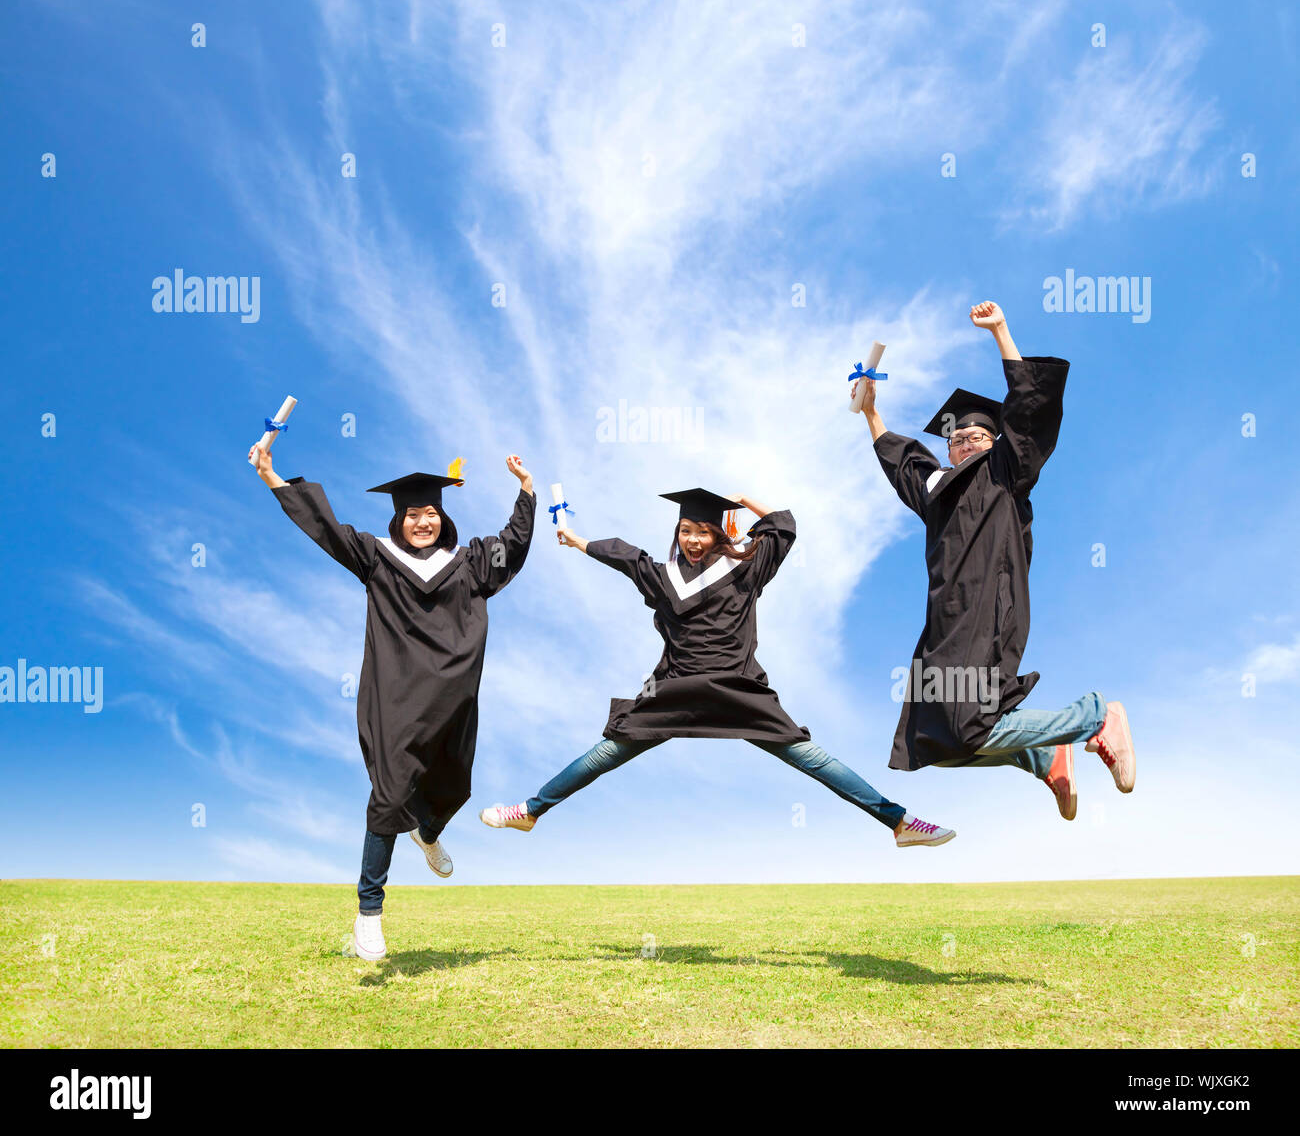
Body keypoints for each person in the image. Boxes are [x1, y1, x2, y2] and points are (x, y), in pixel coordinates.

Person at [479, 488, 954, 848]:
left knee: (811, 758)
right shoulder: (661, 575)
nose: (693, 540)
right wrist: (578, 540)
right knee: (608, 752)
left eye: (702, 531)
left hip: (736, 689)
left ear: (719, 533)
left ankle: (898, 822)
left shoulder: (747, 567)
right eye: (686, 531)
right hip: (675, 688)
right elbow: (623, 556)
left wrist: (741, 498)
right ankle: (531, 810)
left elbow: (781, 525)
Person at [249, 447, 535, 960]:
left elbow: (511, 549)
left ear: (442, 517)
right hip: (395, 696)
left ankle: (428, 834)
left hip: (454, 698)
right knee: (390, 792)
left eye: (429, 513)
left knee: (455, 784)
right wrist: (271, 474)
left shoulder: (469, 562)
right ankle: (369, 913)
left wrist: (526, 492)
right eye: (411, 514)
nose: (421, 521)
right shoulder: (375, 557)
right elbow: (326, 528)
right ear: (398, 520)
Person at [858, 300, 1135, 820]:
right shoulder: (936, 488)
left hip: (989, 612)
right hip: (943, 626)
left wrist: (1001, 331)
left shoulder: (1006, 471)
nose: (964, 443)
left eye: (976, 436)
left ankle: (1096, 718)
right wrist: (872, 411)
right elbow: (900, 463)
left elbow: (1029, 410)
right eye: (956, 438)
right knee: (936, 739)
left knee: (969, 725)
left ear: (995, 440)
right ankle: (1045, 755)